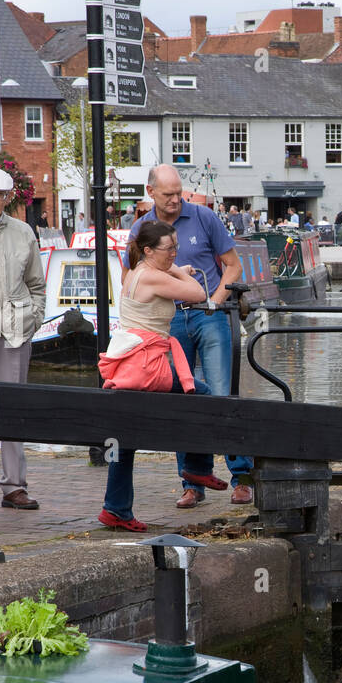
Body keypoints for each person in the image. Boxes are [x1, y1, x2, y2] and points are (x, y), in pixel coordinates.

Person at [130, 165, 253, 508]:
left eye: (178, 192)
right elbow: (132, 274)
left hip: (208, 315)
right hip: (170, 322)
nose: (175, 200)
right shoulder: (142, 228)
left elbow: (233, 265)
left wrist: (214, 302)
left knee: (220, 392)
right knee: (181, 399)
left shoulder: (203, 217)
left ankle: (242, 476)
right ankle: (191, 481)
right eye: (167, 194)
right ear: (150, 191)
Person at [98, 220, 215, 531]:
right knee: (201, 396)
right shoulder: (151, 276)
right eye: (170, 249)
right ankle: (196, 467)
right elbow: (197, 292)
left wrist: (174, 268)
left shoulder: (136, 273)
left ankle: (116, 509)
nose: (174, 253)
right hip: (147, 367)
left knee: (125, 439)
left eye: (177, 247)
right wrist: (179, 271)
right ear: (148, 250)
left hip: (132, 365)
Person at [0, 166, 46, 509]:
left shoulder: (23, 233)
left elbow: (37, 284)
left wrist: (33, 319)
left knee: (13, 409)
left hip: (15, 331)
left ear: (9, 198)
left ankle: (14, 486)